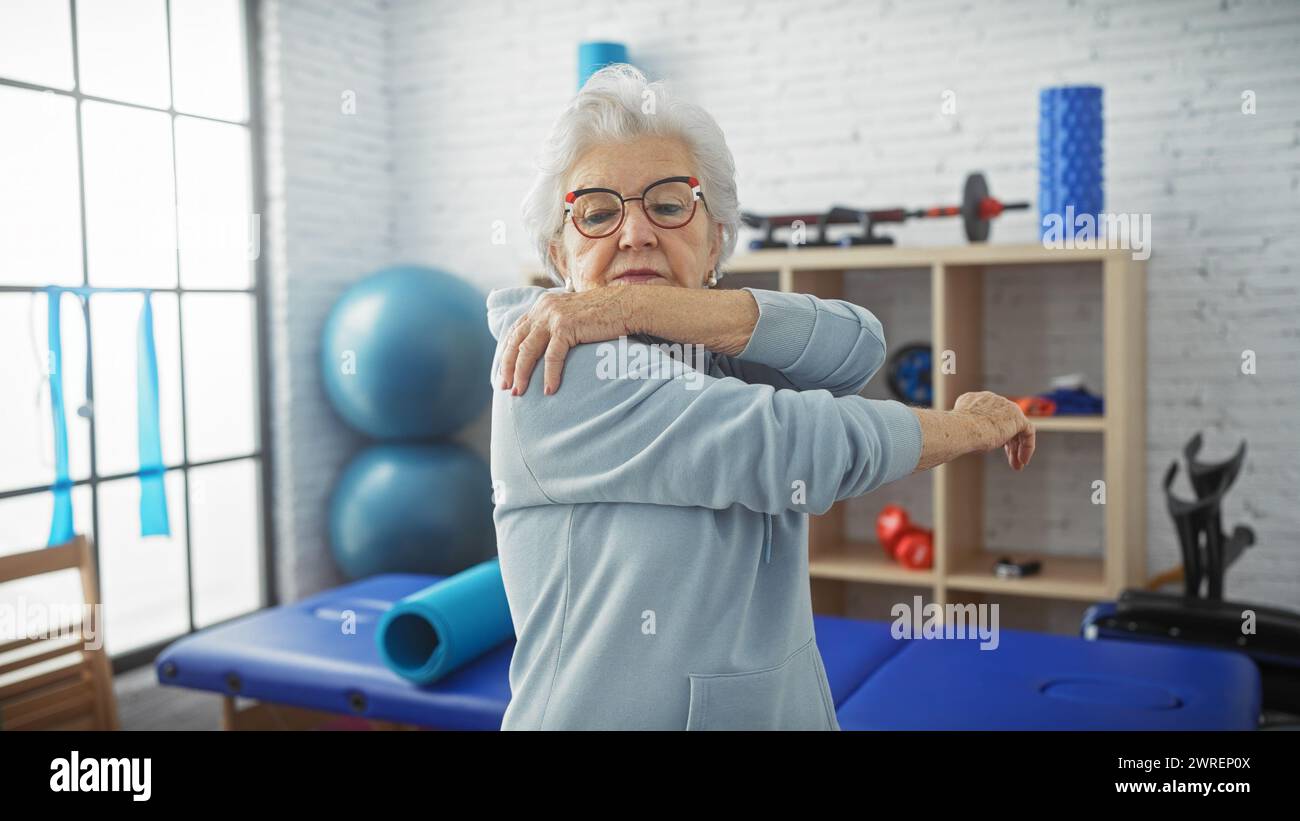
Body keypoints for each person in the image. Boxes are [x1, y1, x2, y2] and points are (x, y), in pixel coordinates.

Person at [486, 64, 1035, 730]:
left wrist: (651, 305)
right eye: (597, 213)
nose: (634, 234)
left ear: (716, 238)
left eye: (668, 205)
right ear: (558, 253)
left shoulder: (721, 356)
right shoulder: (550, 371)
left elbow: (859, 345)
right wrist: (971, 427)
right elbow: (797, 447)